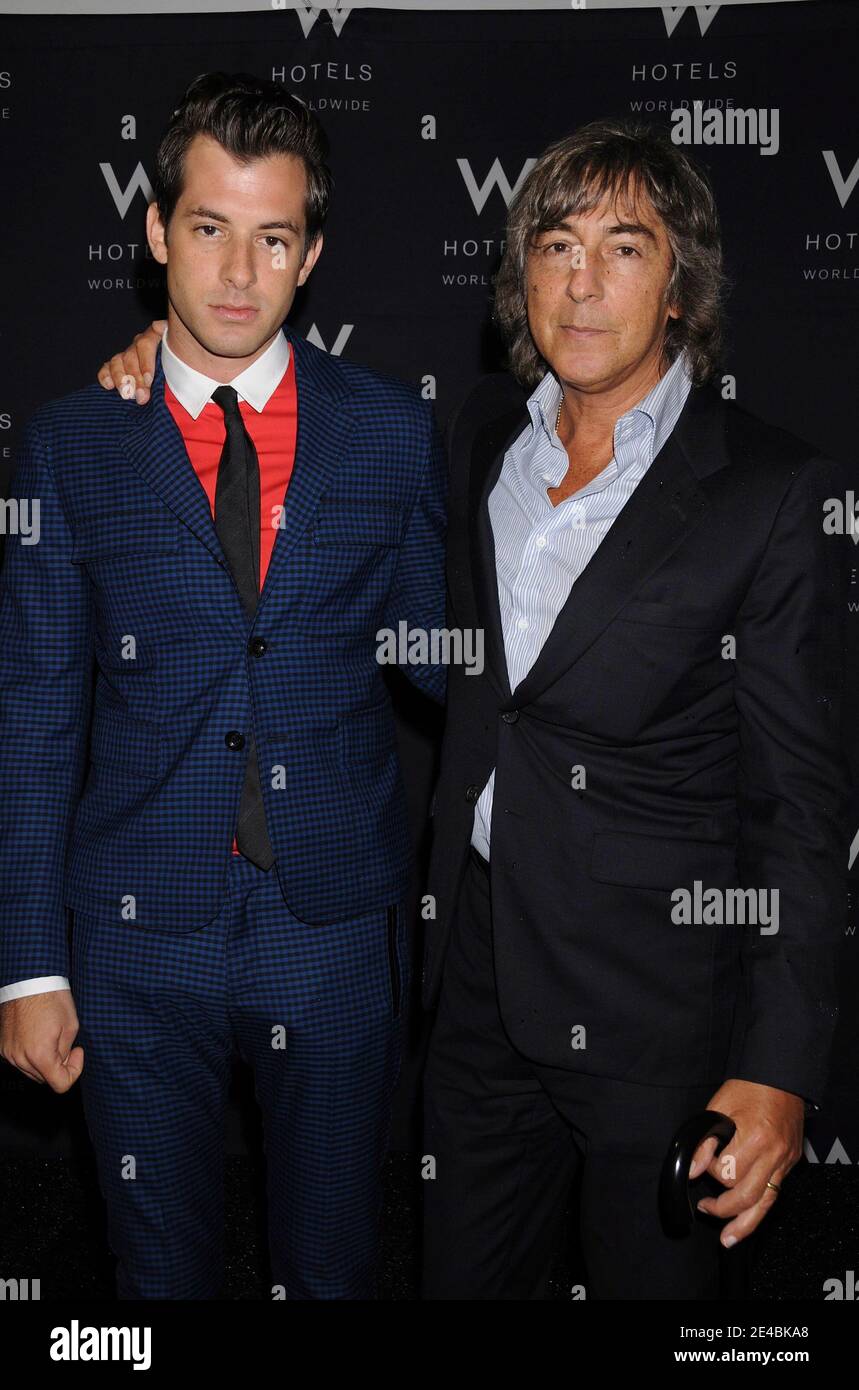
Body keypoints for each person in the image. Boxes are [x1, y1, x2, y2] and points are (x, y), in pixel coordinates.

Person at [0, 71, 446, 1300]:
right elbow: (35, 716)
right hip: (136, 944)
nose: (238, 273)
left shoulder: (391, 434)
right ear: (155, 235)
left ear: (312, 256)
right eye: (208, 229)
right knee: (158, 1278)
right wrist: (29, 966)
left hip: (338, 930)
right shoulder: (71, 443)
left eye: (272, 238)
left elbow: (448, 667)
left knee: (338, 1266)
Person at [419, 118, 849, 1299]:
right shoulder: (481, 436)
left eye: (623, 247)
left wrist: (777, 1064)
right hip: (476, 979)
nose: (582, 282)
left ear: (679, 284)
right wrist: (170, 356)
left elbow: (801, 807)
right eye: (555, 246)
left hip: (657, 1017)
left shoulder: (768, 492)